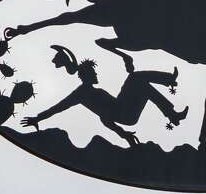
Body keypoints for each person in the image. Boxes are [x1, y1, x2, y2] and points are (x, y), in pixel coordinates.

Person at [20, 44, 187, 146]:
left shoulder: (91, 92)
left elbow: (104, 117)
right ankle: (170, 91)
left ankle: (172, 112)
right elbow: (59, 108)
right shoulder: (82, 93)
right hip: (124, 113)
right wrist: (37, 118)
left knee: (140, 83)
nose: (96, 75)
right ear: (87, 75)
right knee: (137, 79)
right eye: (93, 73)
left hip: (124, 107)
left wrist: (123, 134)